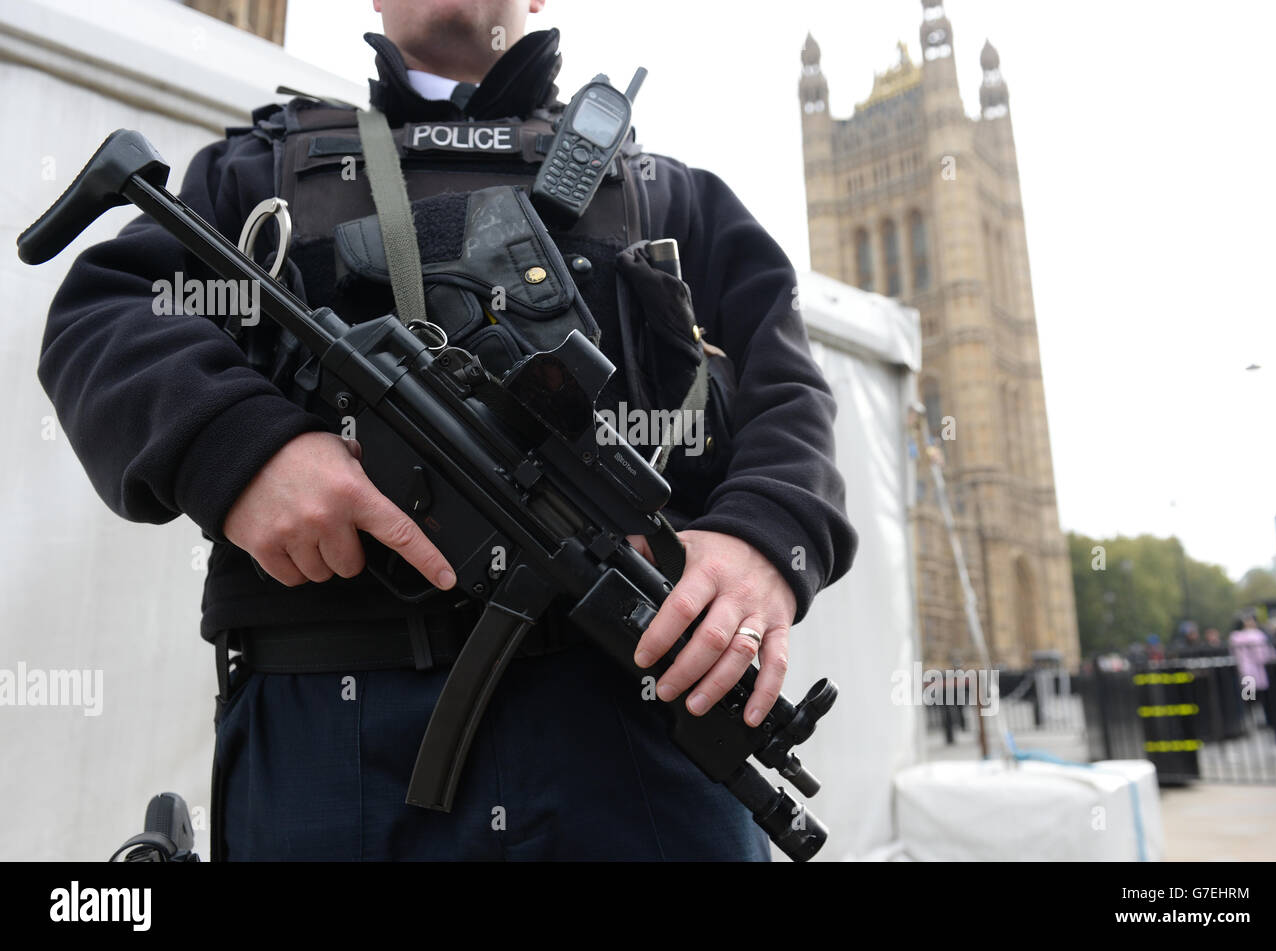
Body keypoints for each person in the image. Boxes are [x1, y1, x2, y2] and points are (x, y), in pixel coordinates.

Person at [36, 0, 856, 860]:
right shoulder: (256, 175)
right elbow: (107, 315)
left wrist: (762, 540)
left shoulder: (666, 193)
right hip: (336, 733)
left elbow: (788, 386)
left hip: (639, 722)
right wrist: (244, 448)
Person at [1229, 614, 1276, 725]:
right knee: (1262, 697)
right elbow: (1263, 655)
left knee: (1249, 698)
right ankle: (1265, 720)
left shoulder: (1235, 637)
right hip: (1258, 671)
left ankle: (1251, 722)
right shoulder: (1257, 635)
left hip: (1245, 672)